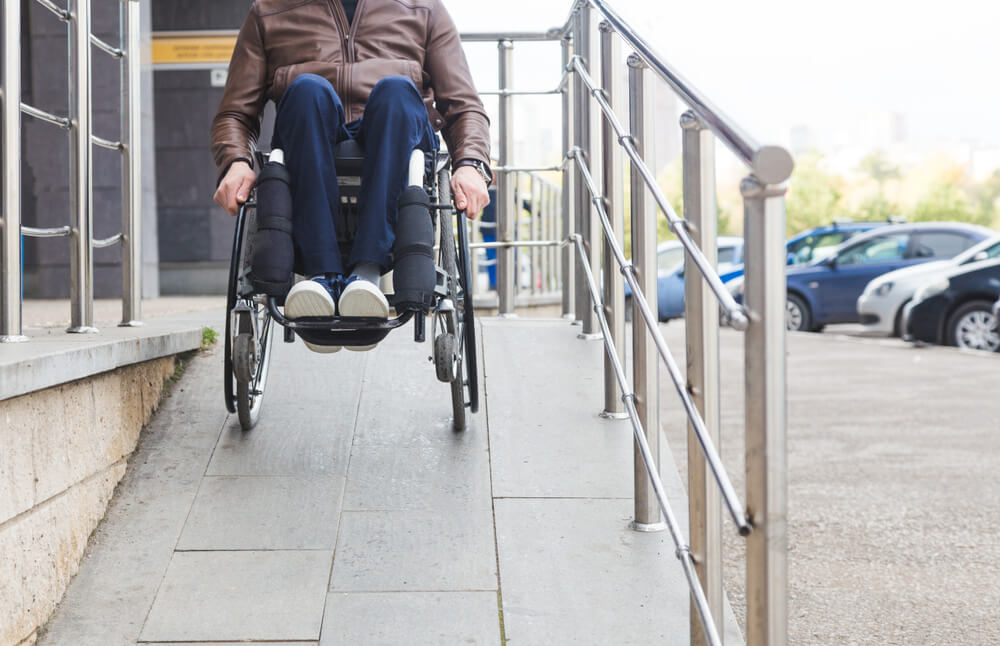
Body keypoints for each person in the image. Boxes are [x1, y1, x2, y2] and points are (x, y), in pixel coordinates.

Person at [211, 0, 491, 350]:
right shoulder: (268, 11)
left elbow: (464, 106)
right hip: (310, 139)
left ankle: (366, 275)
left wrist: (471, 163)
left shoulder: (422, 8)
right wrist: (236, 161)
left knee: (397, 90)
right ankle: (320, 277)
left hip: (395, 136)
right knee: (306, 89)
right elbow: (235, 113)